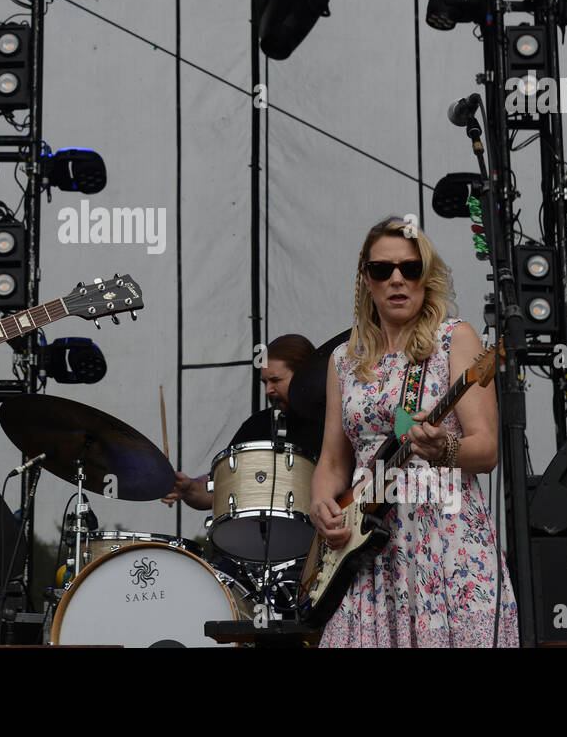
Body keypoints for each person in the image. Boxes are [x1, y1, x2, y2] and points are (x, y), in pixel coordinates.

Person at [309, 216, 517, 647]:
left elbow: (488, 450)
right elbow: (332, 459)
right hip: (366, 543)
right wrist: (321, 504)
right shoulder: (343, 360)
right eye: (382, 270)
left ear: (427, 277)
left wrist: (447, 449)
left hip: (444, 538)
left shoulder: (454, 339)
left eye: (410, 268)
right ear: (366, 279)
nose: (397, 279)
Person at [162, 334, 317, 510]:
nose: (268, 390)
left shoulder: (333, 422)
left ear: (305, 375)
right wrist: (189, 488)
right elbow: (219, 486)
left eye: (275, 380)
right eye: (264, 382)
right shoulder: (257, 425)